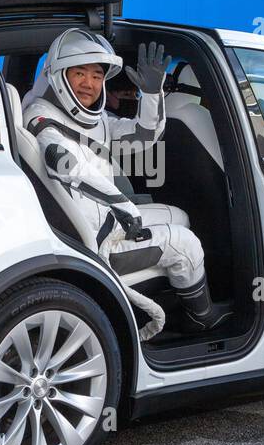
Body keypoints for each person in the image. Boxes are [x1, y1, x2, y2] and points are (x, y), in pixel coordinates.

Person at [23, 28, 231, 333]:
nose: (89, 84)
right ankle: (200, 318)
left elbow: (144, 135)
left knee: (181, 217)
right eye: (79, 73)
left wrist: (151, 94)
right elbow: (62, 161)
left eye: (96, 76)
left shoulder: (88, 117)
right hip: (93, 244)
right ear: (57, 76)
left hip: (98, 221)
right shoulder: (42, 117)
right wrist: (120, 203)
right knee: (186, 245)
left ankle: (174, 291)